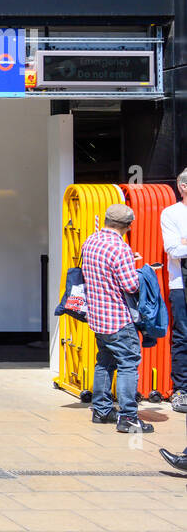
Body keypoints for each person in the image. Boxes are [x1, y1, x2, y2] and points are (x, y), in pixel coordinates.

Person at [82, 203, 153, 434]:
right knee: (128, 364)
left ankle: (101, 411)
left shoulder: (90, 241)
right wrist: (138, 268)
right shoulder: (120, 249)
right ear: (128, 226)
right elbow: (131, 285)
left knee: (104, 361)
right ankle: (128, 417)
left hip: (97, 318)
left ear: (106, 220)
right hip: (118, 319)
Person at [160, 169, 187, 413]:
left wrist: (184, 241)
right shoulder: (171, 213)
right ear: (183, 187)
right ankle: (182, 390)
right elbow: (173, 249)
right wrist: (180, 245)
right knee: (183, 336)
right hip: (180, 285)